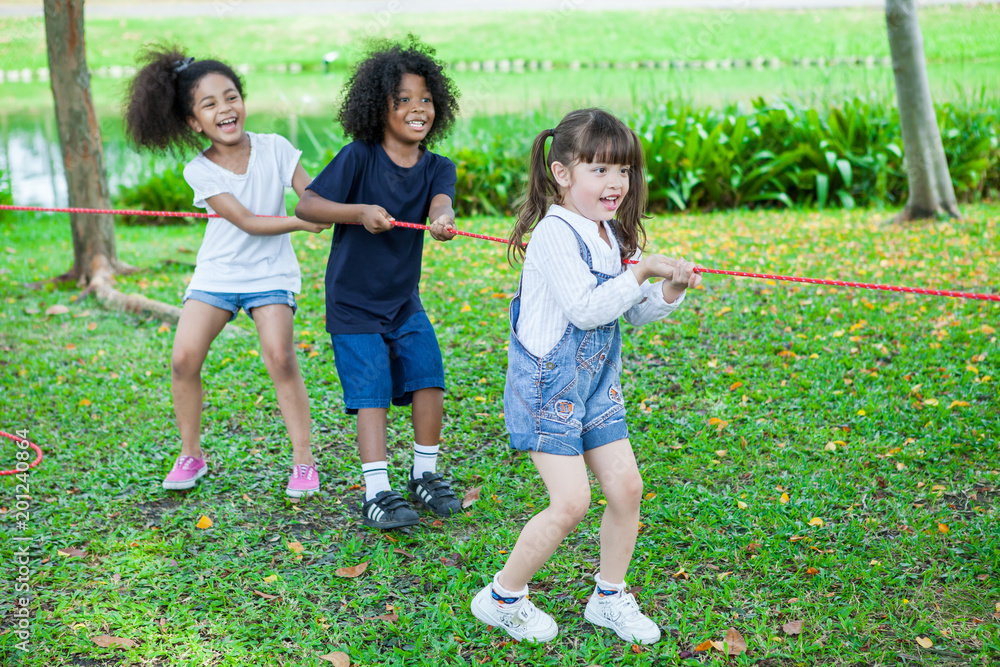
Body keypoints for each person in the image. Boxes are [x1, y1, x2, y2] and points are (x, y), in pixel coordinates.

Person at [470, 108, 702, 644]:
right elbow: (584, 308)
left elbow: (633, 312)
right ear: (562, 173)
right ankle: (501, 598)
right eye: (599, 169)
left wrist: (669, 287)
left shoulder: (610, 234)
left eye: (623, 170)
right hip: (547, 389)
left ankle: (609, 597)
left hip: (595, 386)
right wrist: (640, 270)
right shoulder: (555, 234)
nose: (615, 182)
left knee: (627, 488)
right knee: (571, 501)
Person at [124, 46, 330, 498]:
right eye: (210, 104)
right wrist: (302, 223)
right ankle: (191, 454)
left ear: (243, 100)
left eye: (231, 96)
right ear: (194, 122)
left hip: (270, 273)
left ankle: (304, 461)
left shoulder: (276, 148)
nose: (225, 109)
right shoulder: (199, 170)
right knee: (183, 359)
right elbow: (248, 221)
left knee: (280, 357)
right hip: (218, 274)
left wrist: (336, 209)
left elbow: (313, 196)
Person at [295, 38, 463, 529]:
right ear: (378, 107)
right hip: (353, 304)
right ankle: (377, 491)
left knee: (428, 374)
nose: (418, 108)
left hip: (403, 300)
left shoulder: (438, 166)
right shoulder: (359, 157)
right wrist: (359, 213)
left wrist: (443, 218)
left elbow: (441, 201)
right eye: (403, 99)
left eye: (425, 99)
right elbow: (308, 205)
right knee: (372, 390)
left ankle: (424, 475)